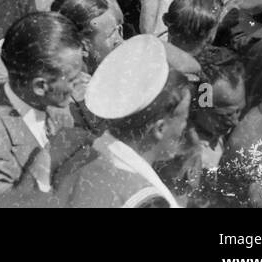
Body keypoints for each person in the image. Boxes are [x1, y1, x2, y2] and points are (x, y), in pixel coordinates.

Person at [0, 11, 82, 200]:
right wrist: (44, 164)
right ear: (40, 86)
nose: (80, 83)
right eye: (72, 79)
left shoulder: (54, 102)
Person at [56, 35, 191, 208]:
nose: (185, 129)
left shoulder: (76, 156)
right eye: (184, 119)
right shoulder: (147, 201)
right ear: (160, 128)